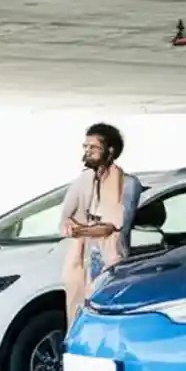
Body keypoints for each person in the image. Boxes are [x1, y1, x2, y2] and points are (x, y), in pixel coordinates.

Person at [59, 122, 142, 327]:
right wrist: (69, 226)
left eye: (93, 148)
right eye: (85, 147)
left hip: (111, 263)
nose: (87, 152)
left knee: (103, 319)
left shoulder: (129, 184)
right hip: (82, 260)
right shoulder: (82, 181)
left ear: (110, 151)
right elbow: (64, 217)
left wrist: (80, 230)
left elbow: (112, 226)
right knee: (77, 317)